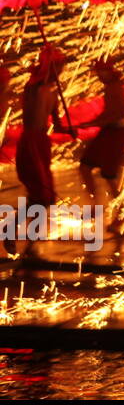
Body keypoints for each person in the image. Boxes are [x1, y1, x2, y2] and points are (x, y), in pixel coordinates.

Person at [5, 47, 68, 256]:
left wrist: (72, 130)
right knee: (41, 194)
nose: (61, 72)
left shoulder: (52, 90)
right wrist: (37, 80)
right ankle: (12, 231)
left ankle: (27, 240)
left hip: (42, 142)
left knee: (46, 197)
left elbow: (57, 125)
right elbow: (31, 116)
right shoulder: (34, 89)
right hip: (31, 143)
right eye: (58, 67)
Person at [70, 58, 124, 217]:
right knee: (85, 166)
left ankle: (121, 209)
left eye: (101, 72)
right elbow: (110, 112)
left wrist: (94, 123)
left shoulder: (114, 88)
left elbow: (121, 111)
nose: (99, 75)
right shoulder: (110, 86)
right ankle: (96, 204)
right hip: (108, 132)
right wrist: (91, 122)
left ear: (109, 72)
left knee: (109, 175)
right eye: (98, 72)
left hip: (116, 134)